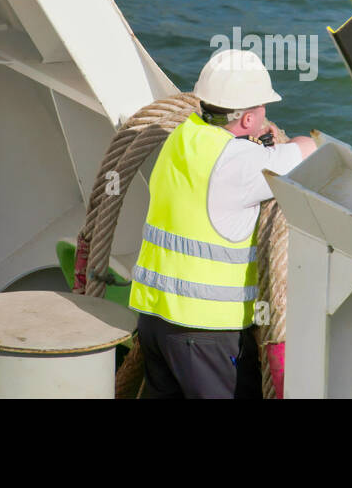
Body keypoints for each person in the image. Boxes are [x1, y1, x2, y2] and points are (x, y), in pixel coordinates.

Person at [128, 48, 316, 398]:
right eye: (263, 109)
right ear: (247, 120)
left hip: (155, 323)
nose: (265, 115)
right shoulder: (238, 163)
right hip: (206, 334)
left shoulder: (181, 137)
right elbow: (308, 151)